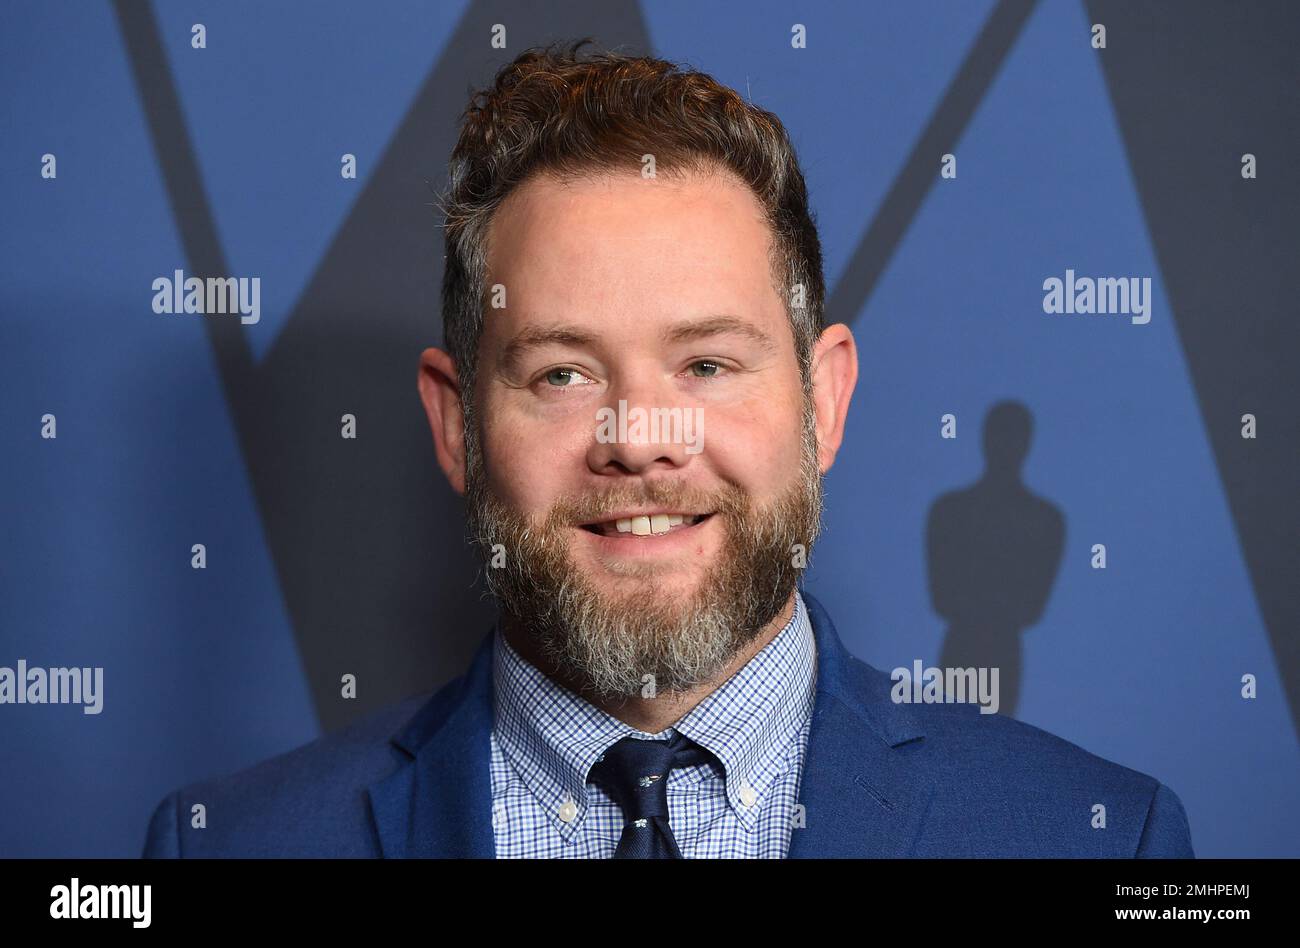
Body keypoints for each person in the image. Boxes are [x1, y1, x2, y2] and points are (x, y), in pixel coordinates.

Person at [143, 40, 1193, 859]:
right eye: (562, 373)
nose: (640, 443)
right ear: (456, 425)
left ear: (823, 399)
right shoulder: (228, 848)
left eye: (705, 365)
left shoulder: (1091, 835)